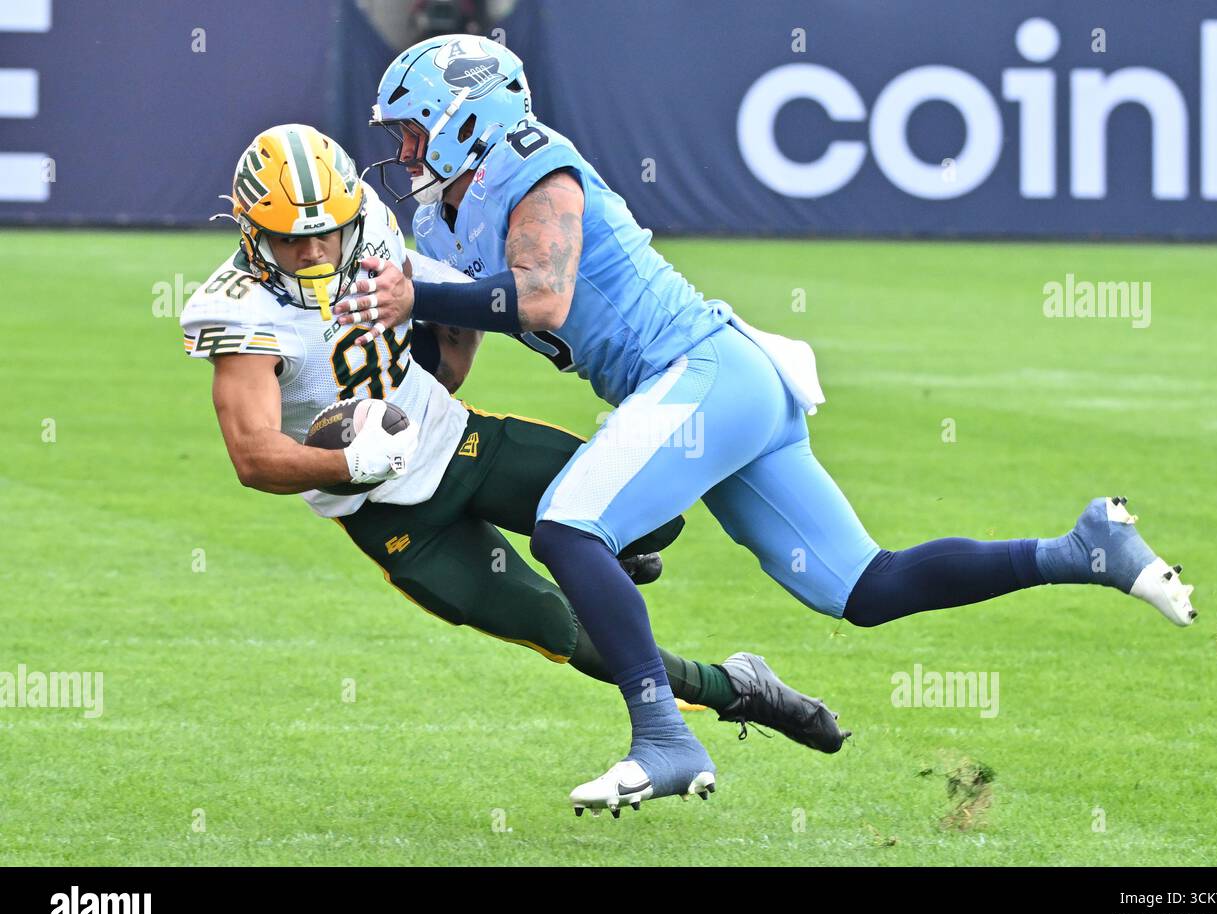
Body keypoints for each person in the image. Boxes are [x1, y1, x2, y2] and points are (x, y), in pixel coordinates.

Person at [337, 36, 1197, 815]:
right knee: (865, 588)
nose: (403, 151)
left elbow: (542, 296)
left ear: (466, 118)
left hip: (704, 372)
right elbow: (456, 345)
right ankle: (1082, 550)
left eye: (412, 132)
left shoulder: (533, 163)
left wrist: (416, 289)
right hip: (708, 392)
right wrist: (391, 379)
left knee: (567, 526)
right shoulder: (439, 216)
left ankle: (665, 737)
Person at [179, 124, 851, 779]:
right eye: (292, 238)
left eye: (329, 229)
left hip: (462, 443)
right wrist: (352, 462)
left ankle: (609, 557)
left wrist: (437, 381)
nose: (318, 250)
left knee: (649, 519)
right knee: (566, 632)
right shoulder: (241, 314)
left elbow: (451, 301)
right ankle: (738, 689)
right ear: (248, 228)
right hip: (395, 520)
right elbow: (254, 455)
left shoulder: (375, 229)